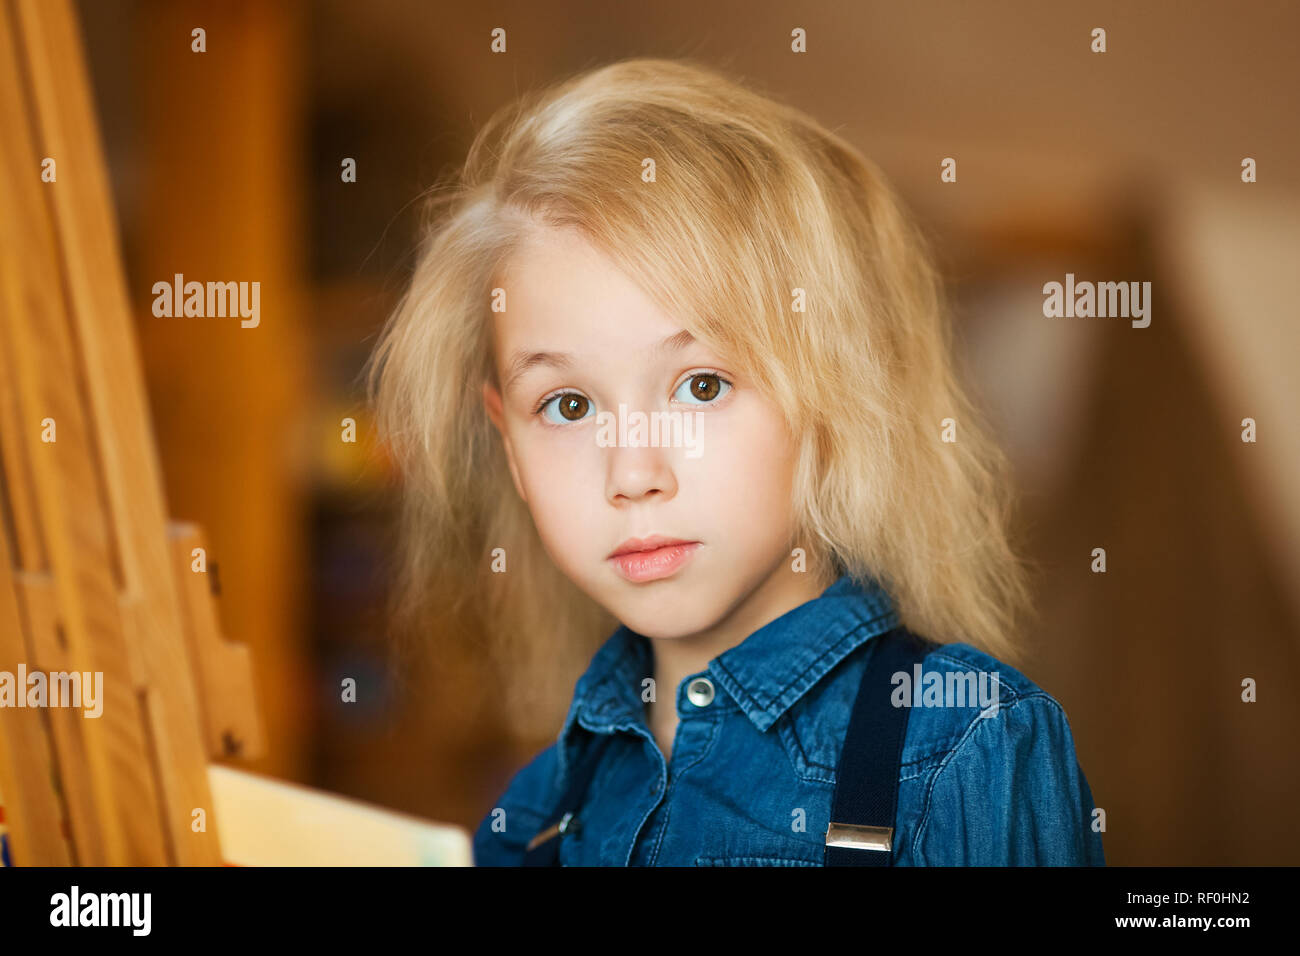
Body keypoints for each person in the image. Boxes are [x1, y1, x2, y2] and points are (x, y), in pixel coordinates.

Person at [364, 57, 1104, 866]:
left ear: (833, 390)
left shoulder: (968, 747)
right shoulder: (536, 813)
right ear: (507, 440)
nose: (632, 473)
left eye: (701, 385)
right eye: (568, 406)